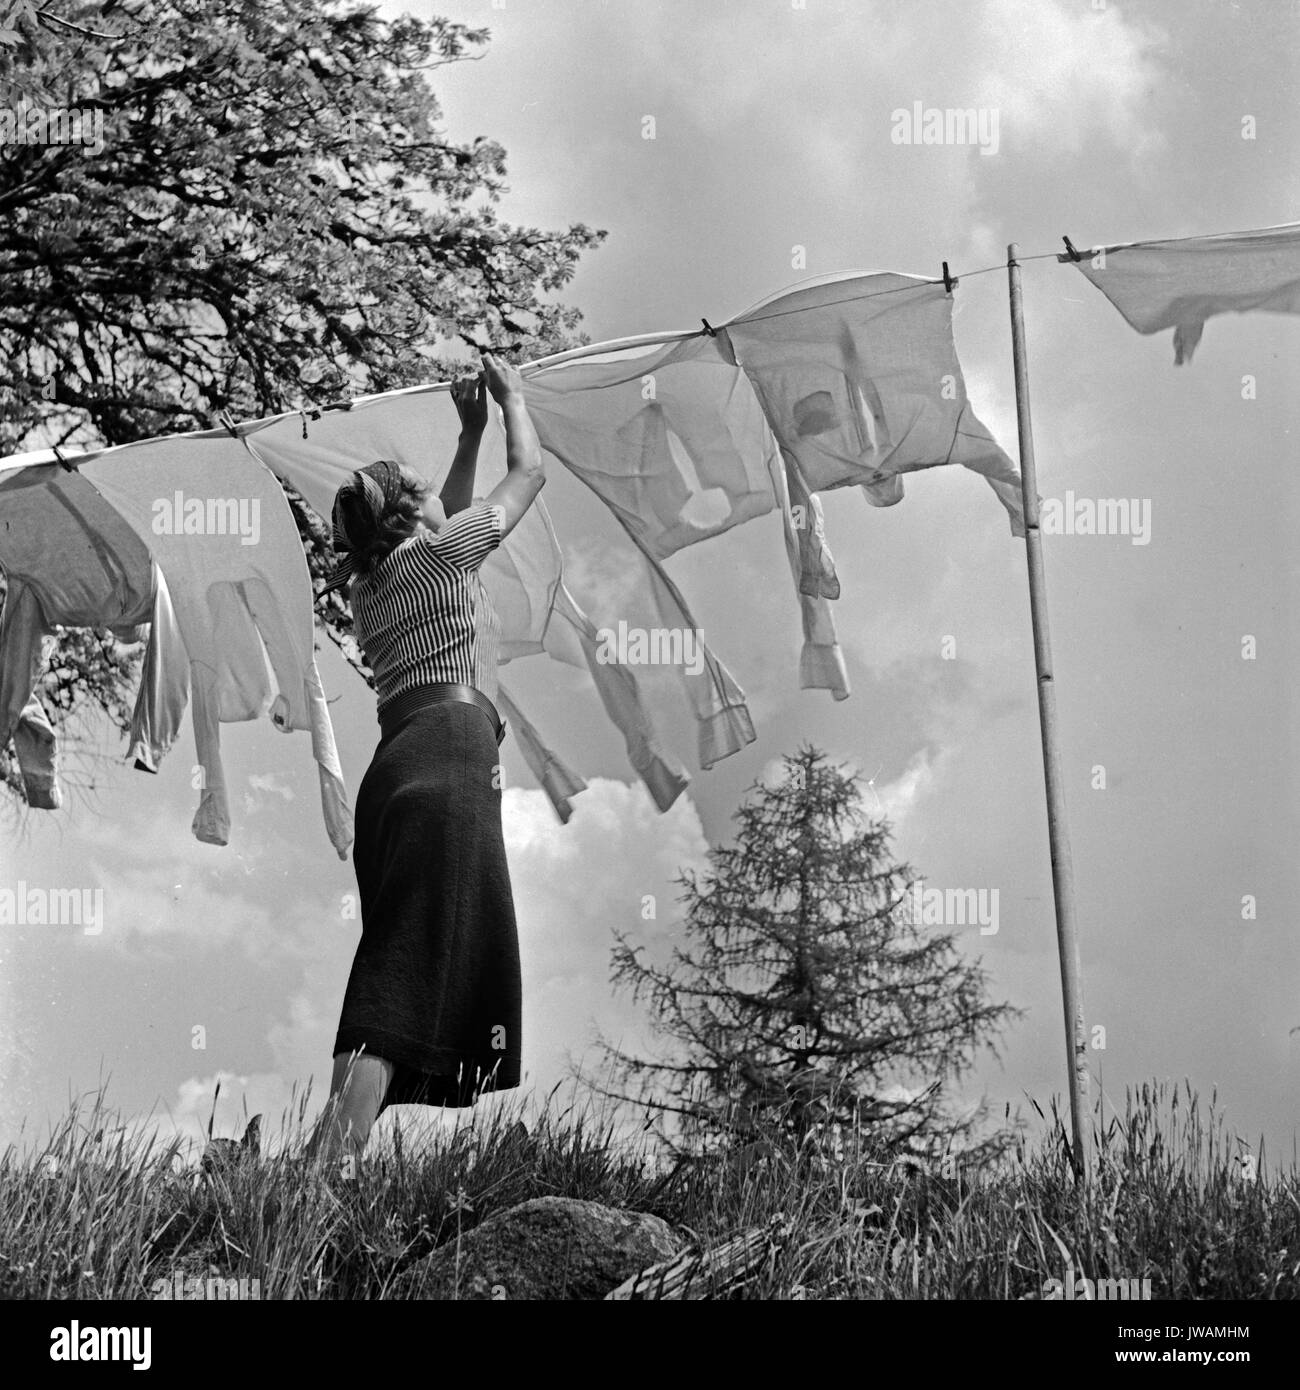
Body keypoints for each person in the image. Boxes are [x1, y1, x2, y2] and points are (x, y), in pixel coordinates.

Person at [309, 352, 545, 1173]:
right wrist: (512, 401)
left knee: (396, 954)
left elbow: (444, 508)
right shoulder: (442, 557)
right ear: (414, 514)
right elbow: (532, 472)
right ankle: (327, 1163)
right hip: (447, 753)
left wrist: (466, 428)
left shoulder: (370, 589)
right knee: (400, 968)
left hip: (396, 770)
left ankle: (326, 1152)